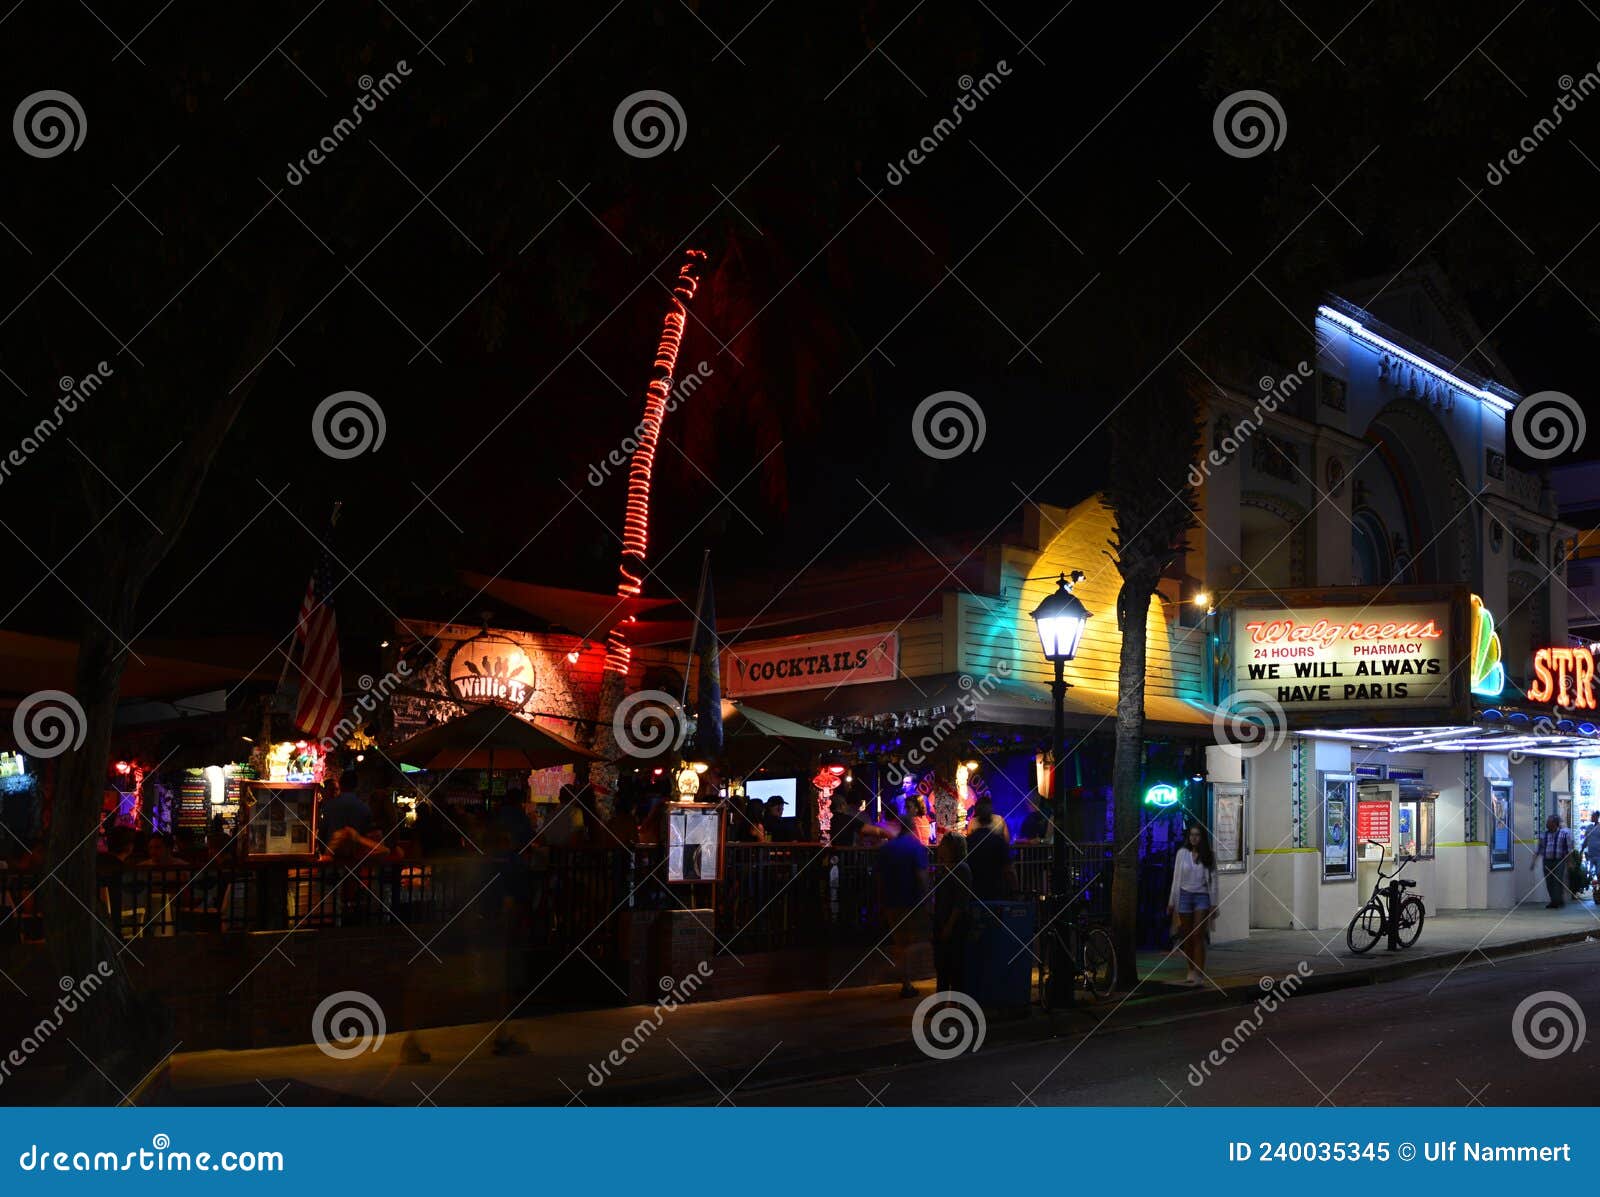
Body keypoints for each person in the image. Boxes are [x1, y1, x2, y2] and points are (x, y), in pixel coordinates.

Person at [875, 813, 929, 997]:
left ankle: (904, 978)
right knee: (913, 941)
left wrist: (880, 901)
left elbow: (879, 879)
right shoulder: (916, 847)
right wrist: (927, 898)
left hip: (891, 900)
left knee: (900, 941)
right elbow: (921, 876)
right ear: (912, 828)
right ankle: (905, 978)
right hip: (911, 900)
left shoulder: (887, 848)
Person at [1167, 823, 1219, 985]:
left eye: (1197, 835)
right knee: (1187, 935)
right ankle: (1191, 969)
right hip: (1184, 896)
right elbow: (1176, 878)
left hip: (1202, 896)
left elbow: (1214, 880)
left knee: (1198, 934)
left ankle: (1199, 972)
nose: (1194, 838)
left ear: (1202, 837)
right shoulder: (1182, 854)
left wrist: (1214, 903)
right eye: (1191, 835)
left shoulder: (1209, 855)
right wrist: (1171, 901)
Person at [932, 832, 971, 995]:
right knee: (942, 966)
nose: (940, 848)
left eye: (944, 845)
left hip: (954, 925)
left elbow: (960, 902)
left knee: (954, 966)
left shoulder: (961, 869)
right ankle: (943, 1001)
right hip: (942, 921)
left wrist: (949, 925)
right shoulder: (945, 868)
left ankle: (955, 1002)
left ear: (952, 848)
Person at [965, 795, 1014, 900]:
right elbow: (1007, 841)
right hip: (996, 881)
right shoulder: (999, 821)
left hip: (976, 883)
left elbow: (968, 843)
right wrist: (1014, 891)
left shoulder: (972, 824)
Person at [1531, 814, 1575, 908]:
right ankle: (1555, 900)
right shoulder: (1543, 835)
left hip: (1559, 861)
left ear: (1554, 823)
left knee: (1557, 880)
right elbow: (1539, 849)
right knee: (1549, 881)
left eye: (1548, 822)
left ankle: (1556, 901)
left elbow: (1568, 850)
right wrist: (1534, 861)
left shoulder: (1563, 834)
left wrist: (1569, 862)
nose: (1547, 824)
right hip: (1547, 861)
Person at [1583, 811, 1600, 899]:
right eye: (1591, 816)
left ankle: (1598, 893)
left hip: (1599, 855)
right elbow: (1586, 839)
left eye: (1593, 816)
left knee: (1599, 873)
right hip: (1590, 855)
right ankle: (1595, 892)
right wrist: (1582, 848)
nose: (1591, 817)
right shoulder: (1589, 827)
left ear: (1597, 817)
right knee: (1590, 874)